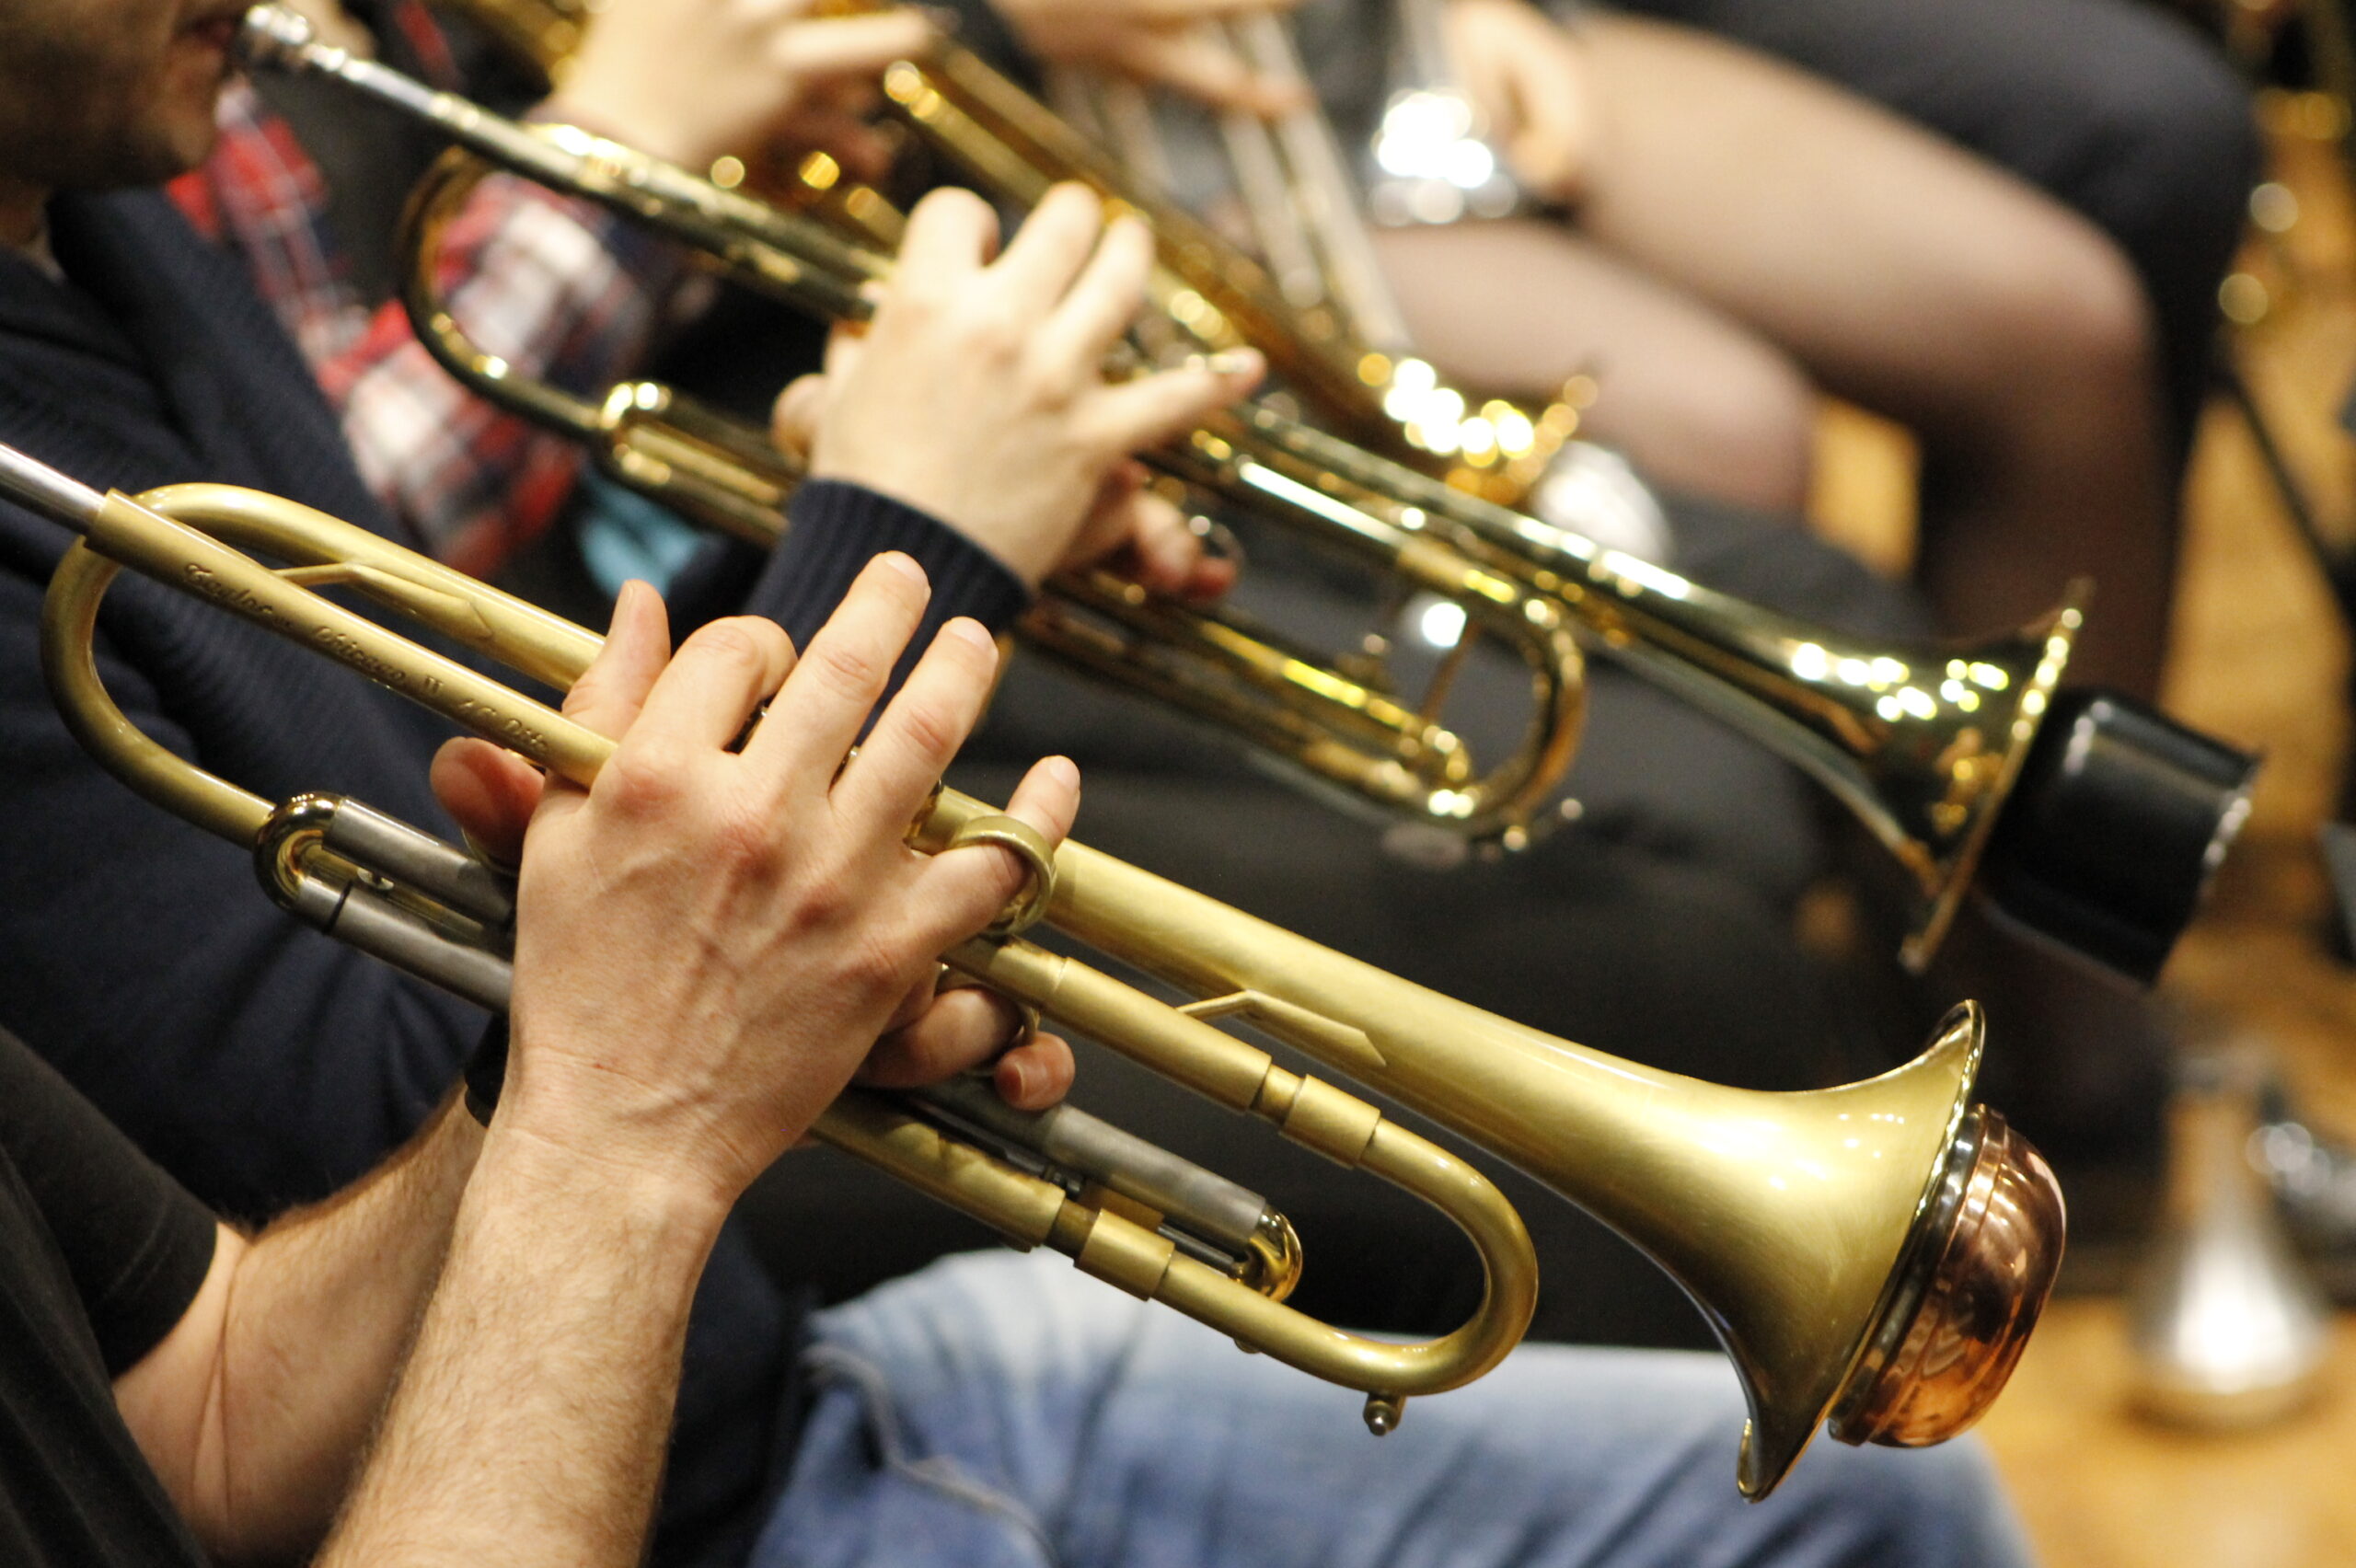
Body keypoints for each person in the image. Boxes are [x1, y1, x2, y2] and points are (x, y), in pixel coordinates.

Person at [0, 3, 2038, 1564]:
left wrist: (881, 580)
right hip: (681, 1464)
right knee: (1666, 970)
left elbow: (435, 803)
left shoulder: (103, 218)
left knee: (1896, 1514)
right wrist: (904, 549)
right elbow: (400, 1131)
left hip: (769, 1383)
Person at [987, 0, 2258, 699]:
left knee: (2055, 325)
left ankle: (2064, 1050)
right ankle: (1836, 1010)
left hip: (1371, 27)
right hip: (1045, 107)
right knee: (1726, 435)